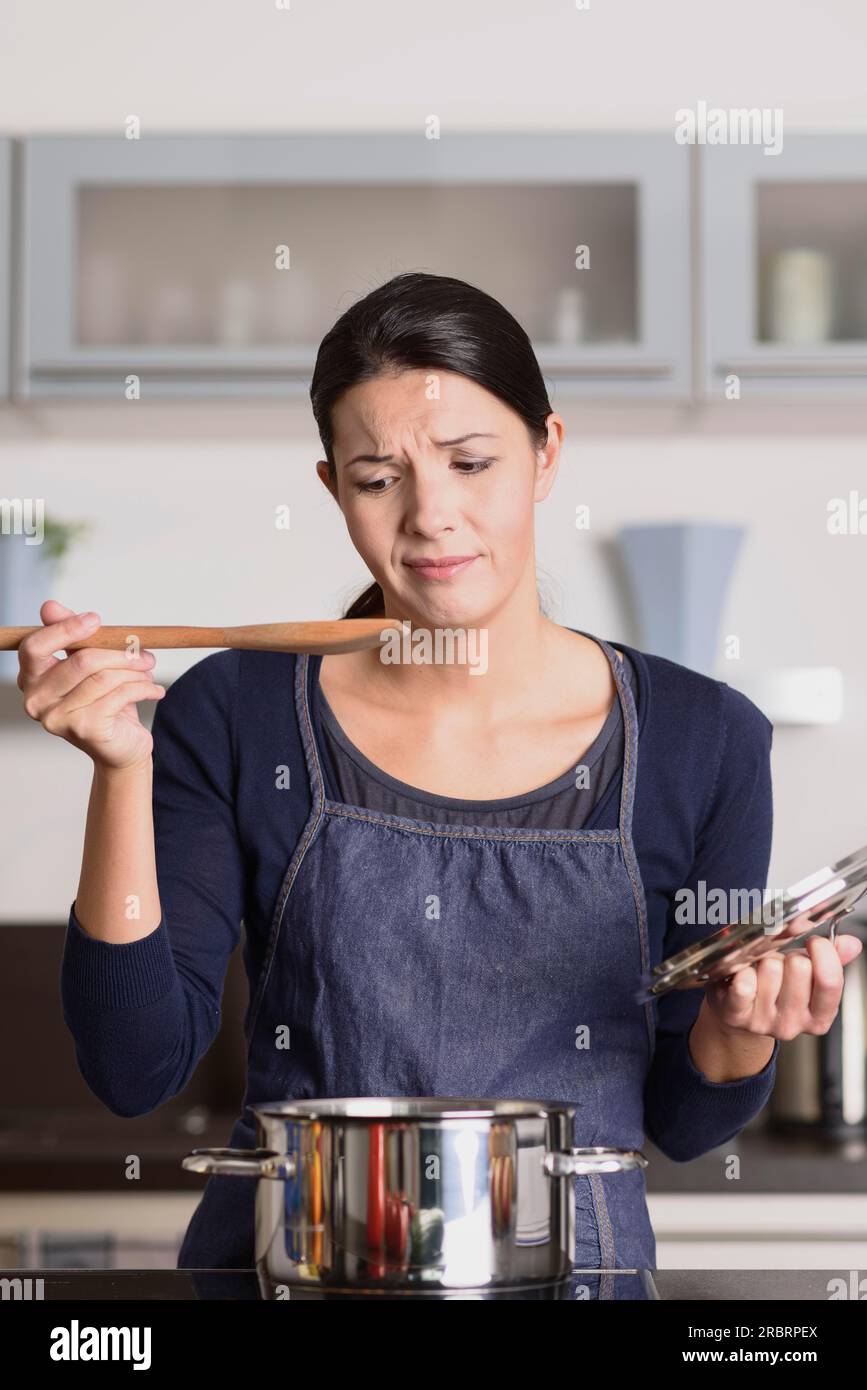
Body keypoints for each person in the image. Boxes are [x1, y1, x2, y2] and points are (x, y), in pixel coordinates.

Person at [18, 272, 861, 1296]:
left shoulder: (702, 738)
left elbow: (687, 1122)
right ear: (333, 487)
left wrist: (737, 1033)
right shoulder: (234, 713)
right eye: (379, 478)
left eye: (471, 462)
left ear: (548, 452)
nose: (432, 517)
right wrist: (122, 767)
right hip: (288, 1275)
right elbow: (132, 1066)